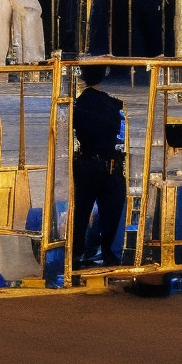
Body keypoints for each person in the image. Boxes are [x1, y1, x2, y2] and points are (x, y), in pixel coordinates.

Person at [69, 63, 126, 266]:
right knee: (111, 214)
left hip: (86, 161)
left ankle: (76, 254)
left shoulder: (79, 104)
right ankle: (109, 254)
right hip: (110, 163)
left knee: (81, 212)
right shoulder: (114, 104)